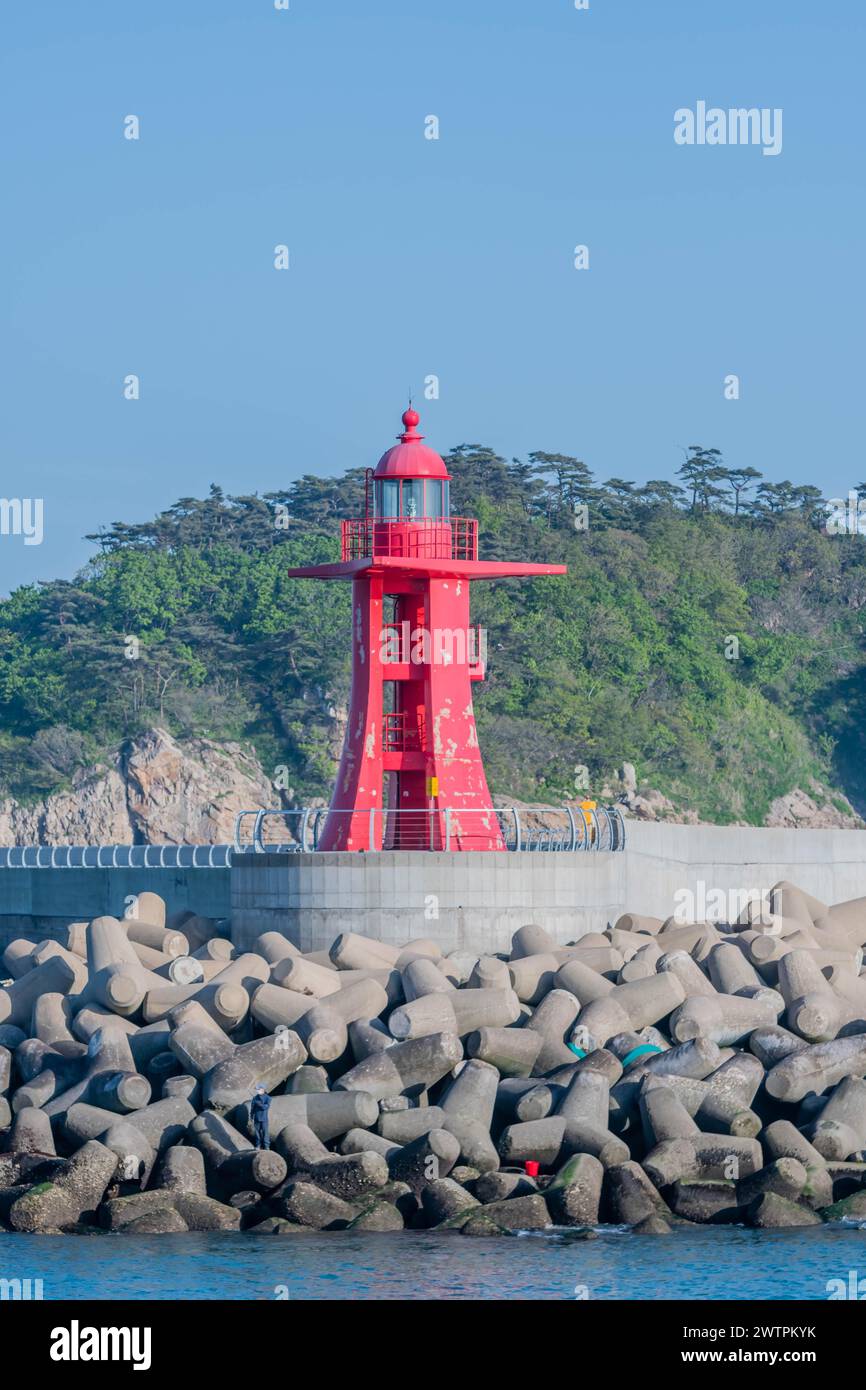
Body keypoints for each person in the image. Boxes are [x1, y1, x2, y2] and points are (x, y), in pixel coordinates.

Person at [251, 1084, 271, 1150]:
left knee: (265, 1133)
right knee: (257, 1133)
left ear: (263, 1090)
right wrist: (251, 1117)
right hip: (256, 1118)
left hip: (264, 1119)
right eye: (257, 1089)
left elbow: (266, 1107)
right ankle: (258, 1145)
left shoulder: (268, 1098)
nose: (257, 1091)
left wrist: (259, 1104)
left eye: (259, 1089)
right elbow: (252, 1109)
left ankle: (266, 1146)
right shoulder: (254, 1098)